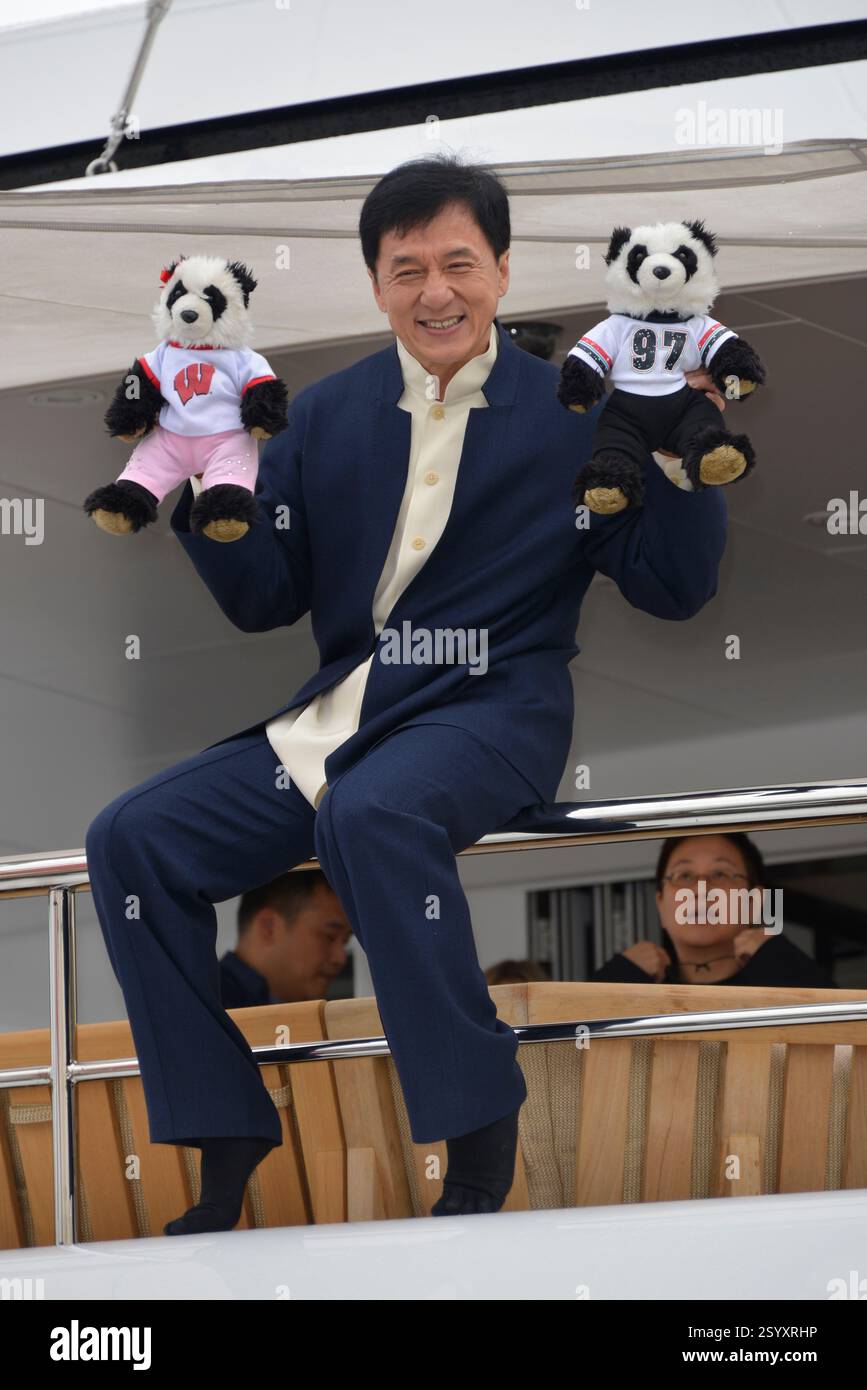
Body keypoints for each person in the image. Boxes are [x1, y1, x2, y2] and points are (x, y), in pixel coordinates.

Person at [85, 153, 728, 1232]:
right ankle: (225, 1120)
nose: (437, 290)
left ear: (504, 272)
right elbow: (263, 600)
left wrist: (678, 455)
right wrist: (208, 475)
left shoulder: (585, 406)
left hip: (492, 711)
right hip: (339, 715)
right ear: (376, 283)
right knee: (129, 838)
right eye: (408, 267)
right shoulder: (323, 415)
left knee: (372, 810)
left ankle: (477, 1127)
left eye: (460, 263)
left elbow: (675, 588)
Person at [593, 832, 835, 987]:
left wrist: (779, 961)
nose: (700, 889)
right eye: (684, 875)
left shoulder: (785, 976)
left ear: (753, 903)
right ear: (661, 904)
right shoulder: (630, 985)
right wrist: (617, 979)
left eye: (720, 874)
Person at [219, 869, 352, 1008]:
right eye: (329, 937)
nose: (341, 958)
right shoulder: (208, 1007)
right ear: (269, 927)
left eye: (345, 941)